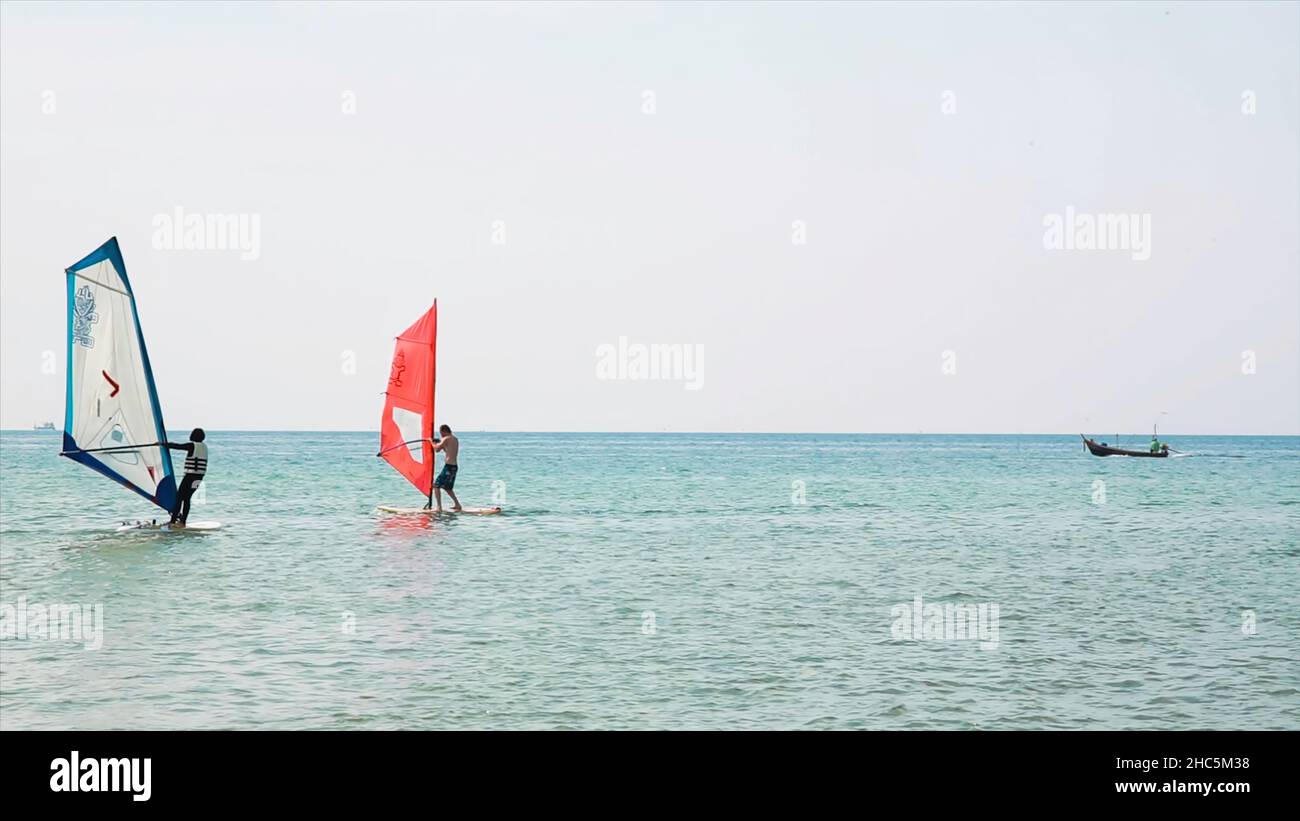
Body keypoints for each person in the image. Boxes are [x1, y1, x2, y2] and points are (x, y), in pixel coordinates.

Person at [164, 428, 207, 526]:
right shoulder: (204, 447)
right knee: (187, 498)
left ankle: (173, 521)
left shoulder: (192, 445)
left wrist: (164, 444)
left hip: (190, 477)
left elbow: (178, 446)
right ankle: (183, 522)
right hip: (199, 477)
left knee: (179, 498)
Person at [429, 424, 461, 513]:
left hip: (448, 466)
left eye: (441, 433)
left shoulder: (446, 438)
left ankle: (439, 507)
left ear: (444, 431)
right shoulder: (455, 439)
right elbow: (446, 450)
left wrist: (431, 441)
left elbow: (436, 449)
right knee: (448, 488)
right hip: (454, 467)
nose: (441, 435)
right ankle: (457, 505)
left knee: (436, 485)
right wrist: (440, 443)